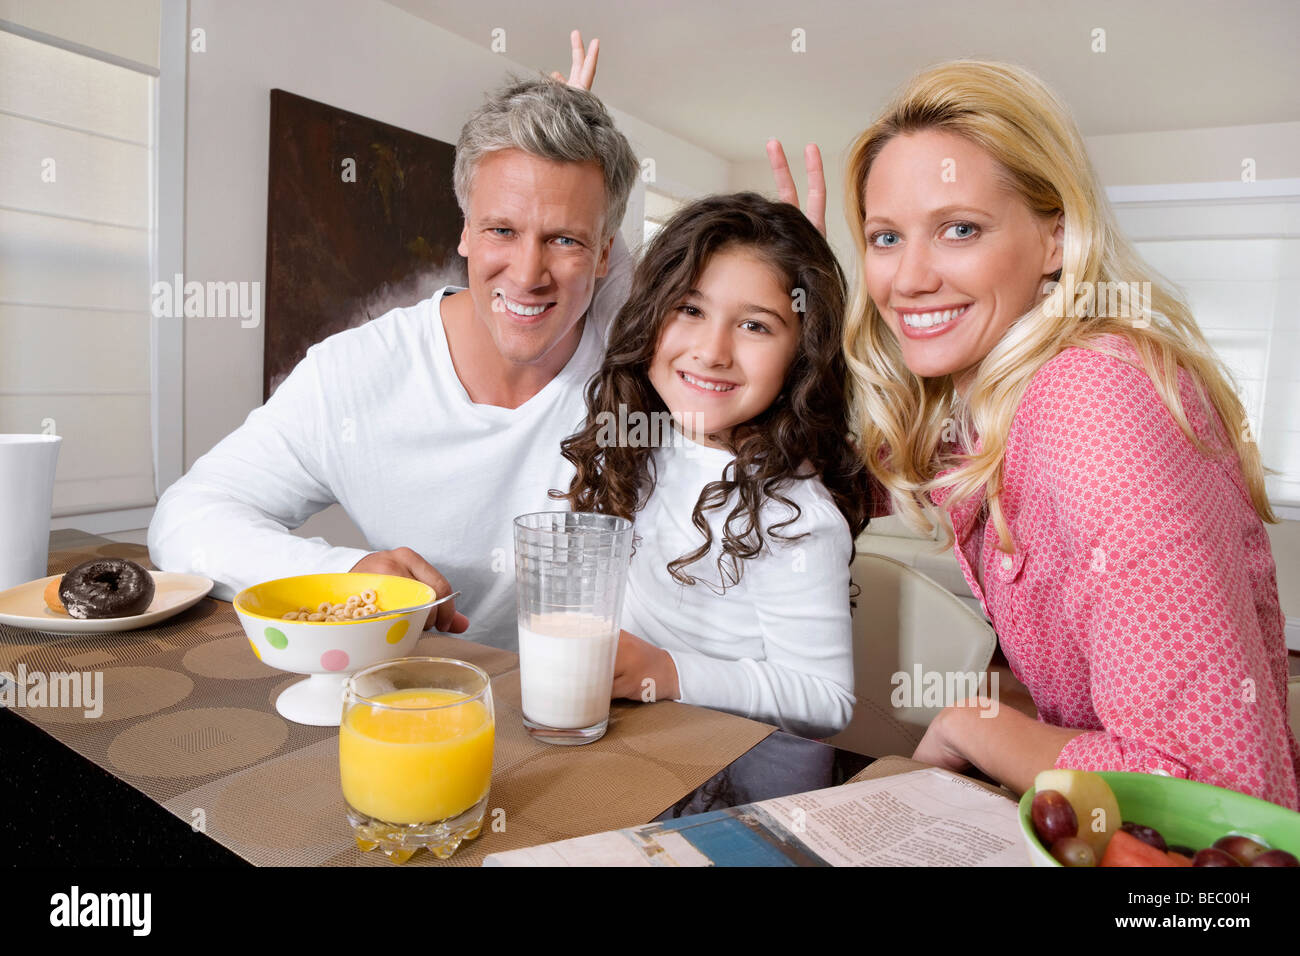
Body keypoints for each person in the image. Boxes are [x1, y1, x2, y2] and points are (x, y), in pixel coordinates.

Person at [839, 59, 1298, 807]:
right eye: (885, 237)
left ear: (1056, 239)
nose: (908, 278)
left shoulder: (1090, 392)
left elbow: (1220, 799)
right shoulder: (987, 403)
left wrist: (974, 725)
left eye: (959, 229)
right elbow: (841, 475)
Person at [149, 36, 640, 648]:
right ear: (464, 231)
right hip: (419, 701)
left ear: (603, 253)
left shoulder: (645, 352)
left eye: (565, 240)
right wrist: (345, 573)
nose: (526, 273)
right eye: (502, 229)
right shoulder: (356, 373)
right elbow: (187, 518)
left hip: (607, 713)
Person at [556, 192, 870, 739]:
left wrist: (666, 672)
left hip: (718, 765)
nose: (712, 350)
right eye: (691, 310)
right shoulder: (635, 441)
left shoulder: (794, 513)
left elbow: (828, 701)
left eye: (755, 326)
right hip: (616, 737)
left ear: (803, 352)